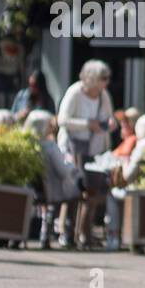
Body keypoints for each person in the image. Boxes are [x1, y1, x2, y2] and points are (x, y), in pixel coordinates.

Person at [56, 59, 117, 249]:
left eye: (107, 79)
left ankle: (85, 232)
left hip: (92, 149)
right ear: (92, 78)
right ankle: (66, 231)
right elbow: (62, 120)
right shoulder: (75, 91)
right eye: (103, 78)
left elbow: (109, 117)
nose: (106, 82)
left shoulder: (103, 95)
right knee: (73, 190)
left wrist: (110, 124)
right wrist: (87, 124)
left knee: (93, 191)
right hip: (73, 147)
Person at [24, 110, 82, 250]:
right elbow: (63, 171)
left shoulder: (25, 144)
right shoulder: (50, 146)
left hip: (31, 188)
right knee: (76, 191)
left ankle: (46, 234)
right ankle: (66, 234)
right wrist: (73, 166)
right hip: (52, 189)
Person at [105, 113, 145, 251]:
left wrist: (125, 163)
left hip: (141, 192)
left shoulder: (142, 146)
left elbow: (128, 176)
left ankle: (114, 236)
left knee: (112, 194)